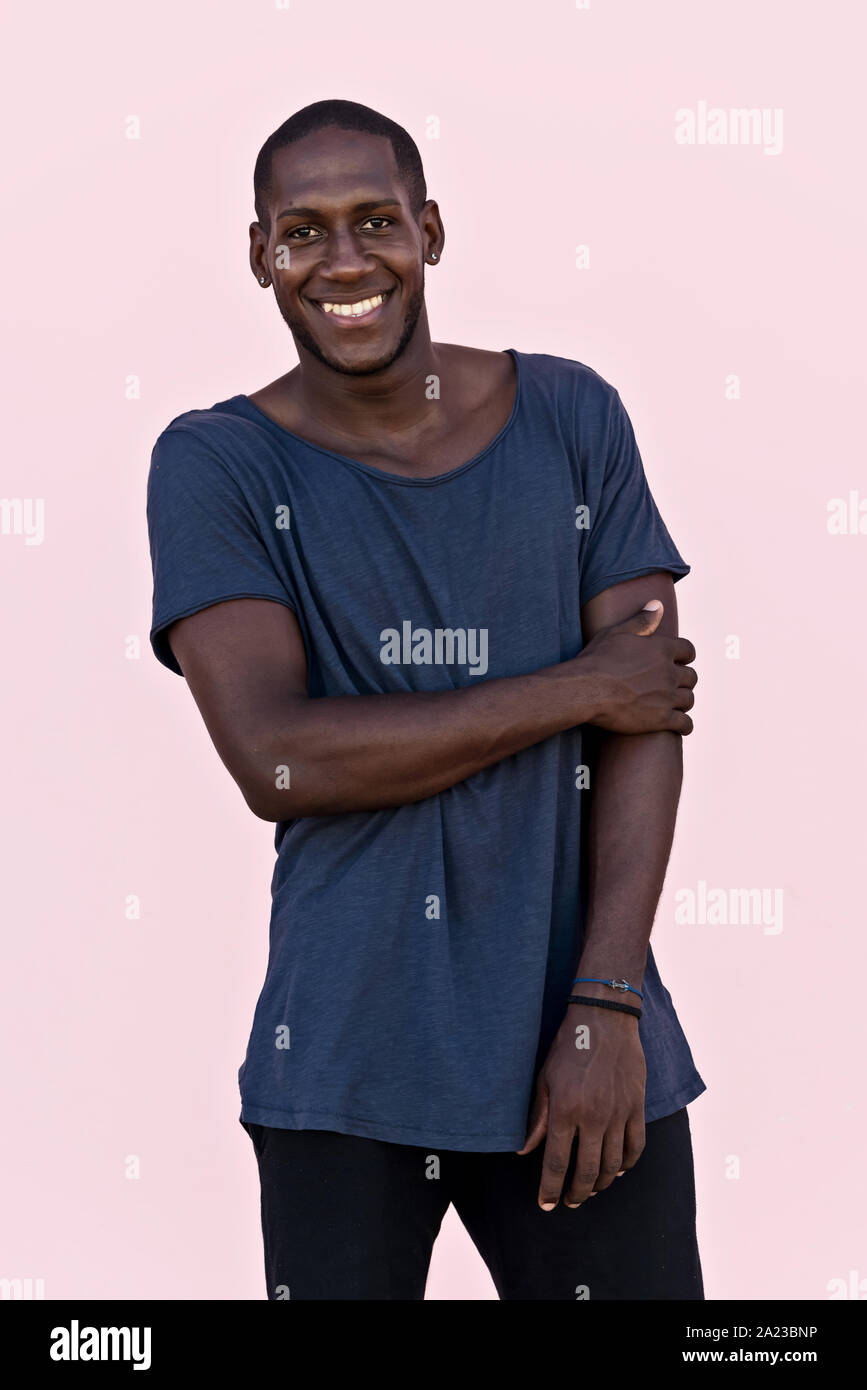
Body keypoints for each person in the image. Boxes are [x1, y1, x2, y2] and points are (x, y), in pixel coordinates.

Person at [146, 99, 705, 1301]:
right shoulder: (217, 463)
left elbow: (648, 711)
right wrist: (575, 686)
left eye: (375, 221)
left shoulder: (571, 414)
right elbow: (277, 760)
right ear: (260, 258)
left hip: (588, 1050)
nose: (344, 263)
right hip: (345, 1059)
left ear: (432, 232)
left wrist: (610, 1000)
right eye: (302, 233)